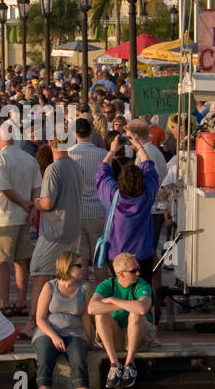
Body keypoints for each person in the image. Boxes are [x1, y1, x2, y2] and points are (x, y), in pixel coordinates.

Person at [34, 251, 94, 389]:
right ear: (67, 268)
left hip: (74, 333)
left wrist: (90, 341)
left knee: (78, 359)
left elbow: (85, 317)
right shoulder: (49, 286)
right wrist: (54, 336)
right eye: (79, 265)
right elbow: (40, 318)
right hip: (48, 331)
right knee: (44, 359)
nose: (84, 268)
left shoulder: (84, 288)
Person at [28, 137, 83, 332]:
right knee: (67, 275)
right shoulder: (76, 166)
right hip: (73, 229)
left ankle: (33, 322)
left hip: (54, 231)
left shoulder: (54, 168)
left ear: (52, 145)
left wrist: (36, 202)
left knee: (40, 275)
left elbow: (48, 203)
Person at [0, 122, 42, 318]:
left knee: (1, 262)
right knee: (21, 261)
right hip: (24, 216)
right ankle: (21, 301)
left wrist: (22, 203)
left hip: (3, 216)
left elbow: (4, 187)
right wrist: (32, 207)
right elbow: (38, 185)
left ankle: (5, 302)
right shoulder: (29, 158)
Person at [96, 132, 159, 279]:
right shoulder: (147, 195)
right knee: (142, 293)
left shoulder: (113, 196)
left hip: (116, 255)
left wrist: (113, 149)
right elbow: (150, 169)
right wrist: (140, 147)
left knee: (119, 292)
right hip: (142, 254)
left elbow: (102, 172)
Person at [89, 251, 154, 388]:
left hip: (141, 338)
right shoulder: (108, 284)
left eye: (138, 269)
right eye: (133, 271)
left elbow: (142, 308)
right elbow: (91, 308)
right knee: (100, 315)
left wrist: (113, 300)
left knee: (136, 314)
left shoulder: (142, 285)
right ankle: (115, 365)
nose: (138, 273)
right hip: (117, 337)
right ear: (121, 274)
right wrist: (126, 305)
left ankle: (130, 364)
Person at [68, 117, 110, 280]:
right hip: (99, 211)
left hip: (77, 212)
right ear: (91, 132)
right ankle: (101, 296)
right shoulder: (103, 154)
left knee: (81, 260)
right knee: (100, 259)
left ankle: (83, 297)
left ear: (74, 133)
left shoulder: (70, 154)